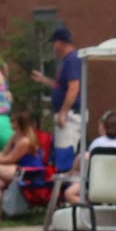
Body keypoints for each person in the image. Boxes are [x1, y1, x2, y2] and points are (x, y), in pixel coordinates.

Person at [31, 26, 85, 171]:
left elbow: (74, 88)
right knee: (61, 151)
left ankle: (66, 186)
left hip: (70, 115)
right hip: (68, 113)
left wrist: (63, 112)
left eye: (54, 43)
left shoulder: (72, 59)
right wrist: (43, 79)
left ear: (60, 43)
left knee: (65, 152)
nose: (53, 47)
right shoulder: (67, 60)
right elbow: (61, 86)